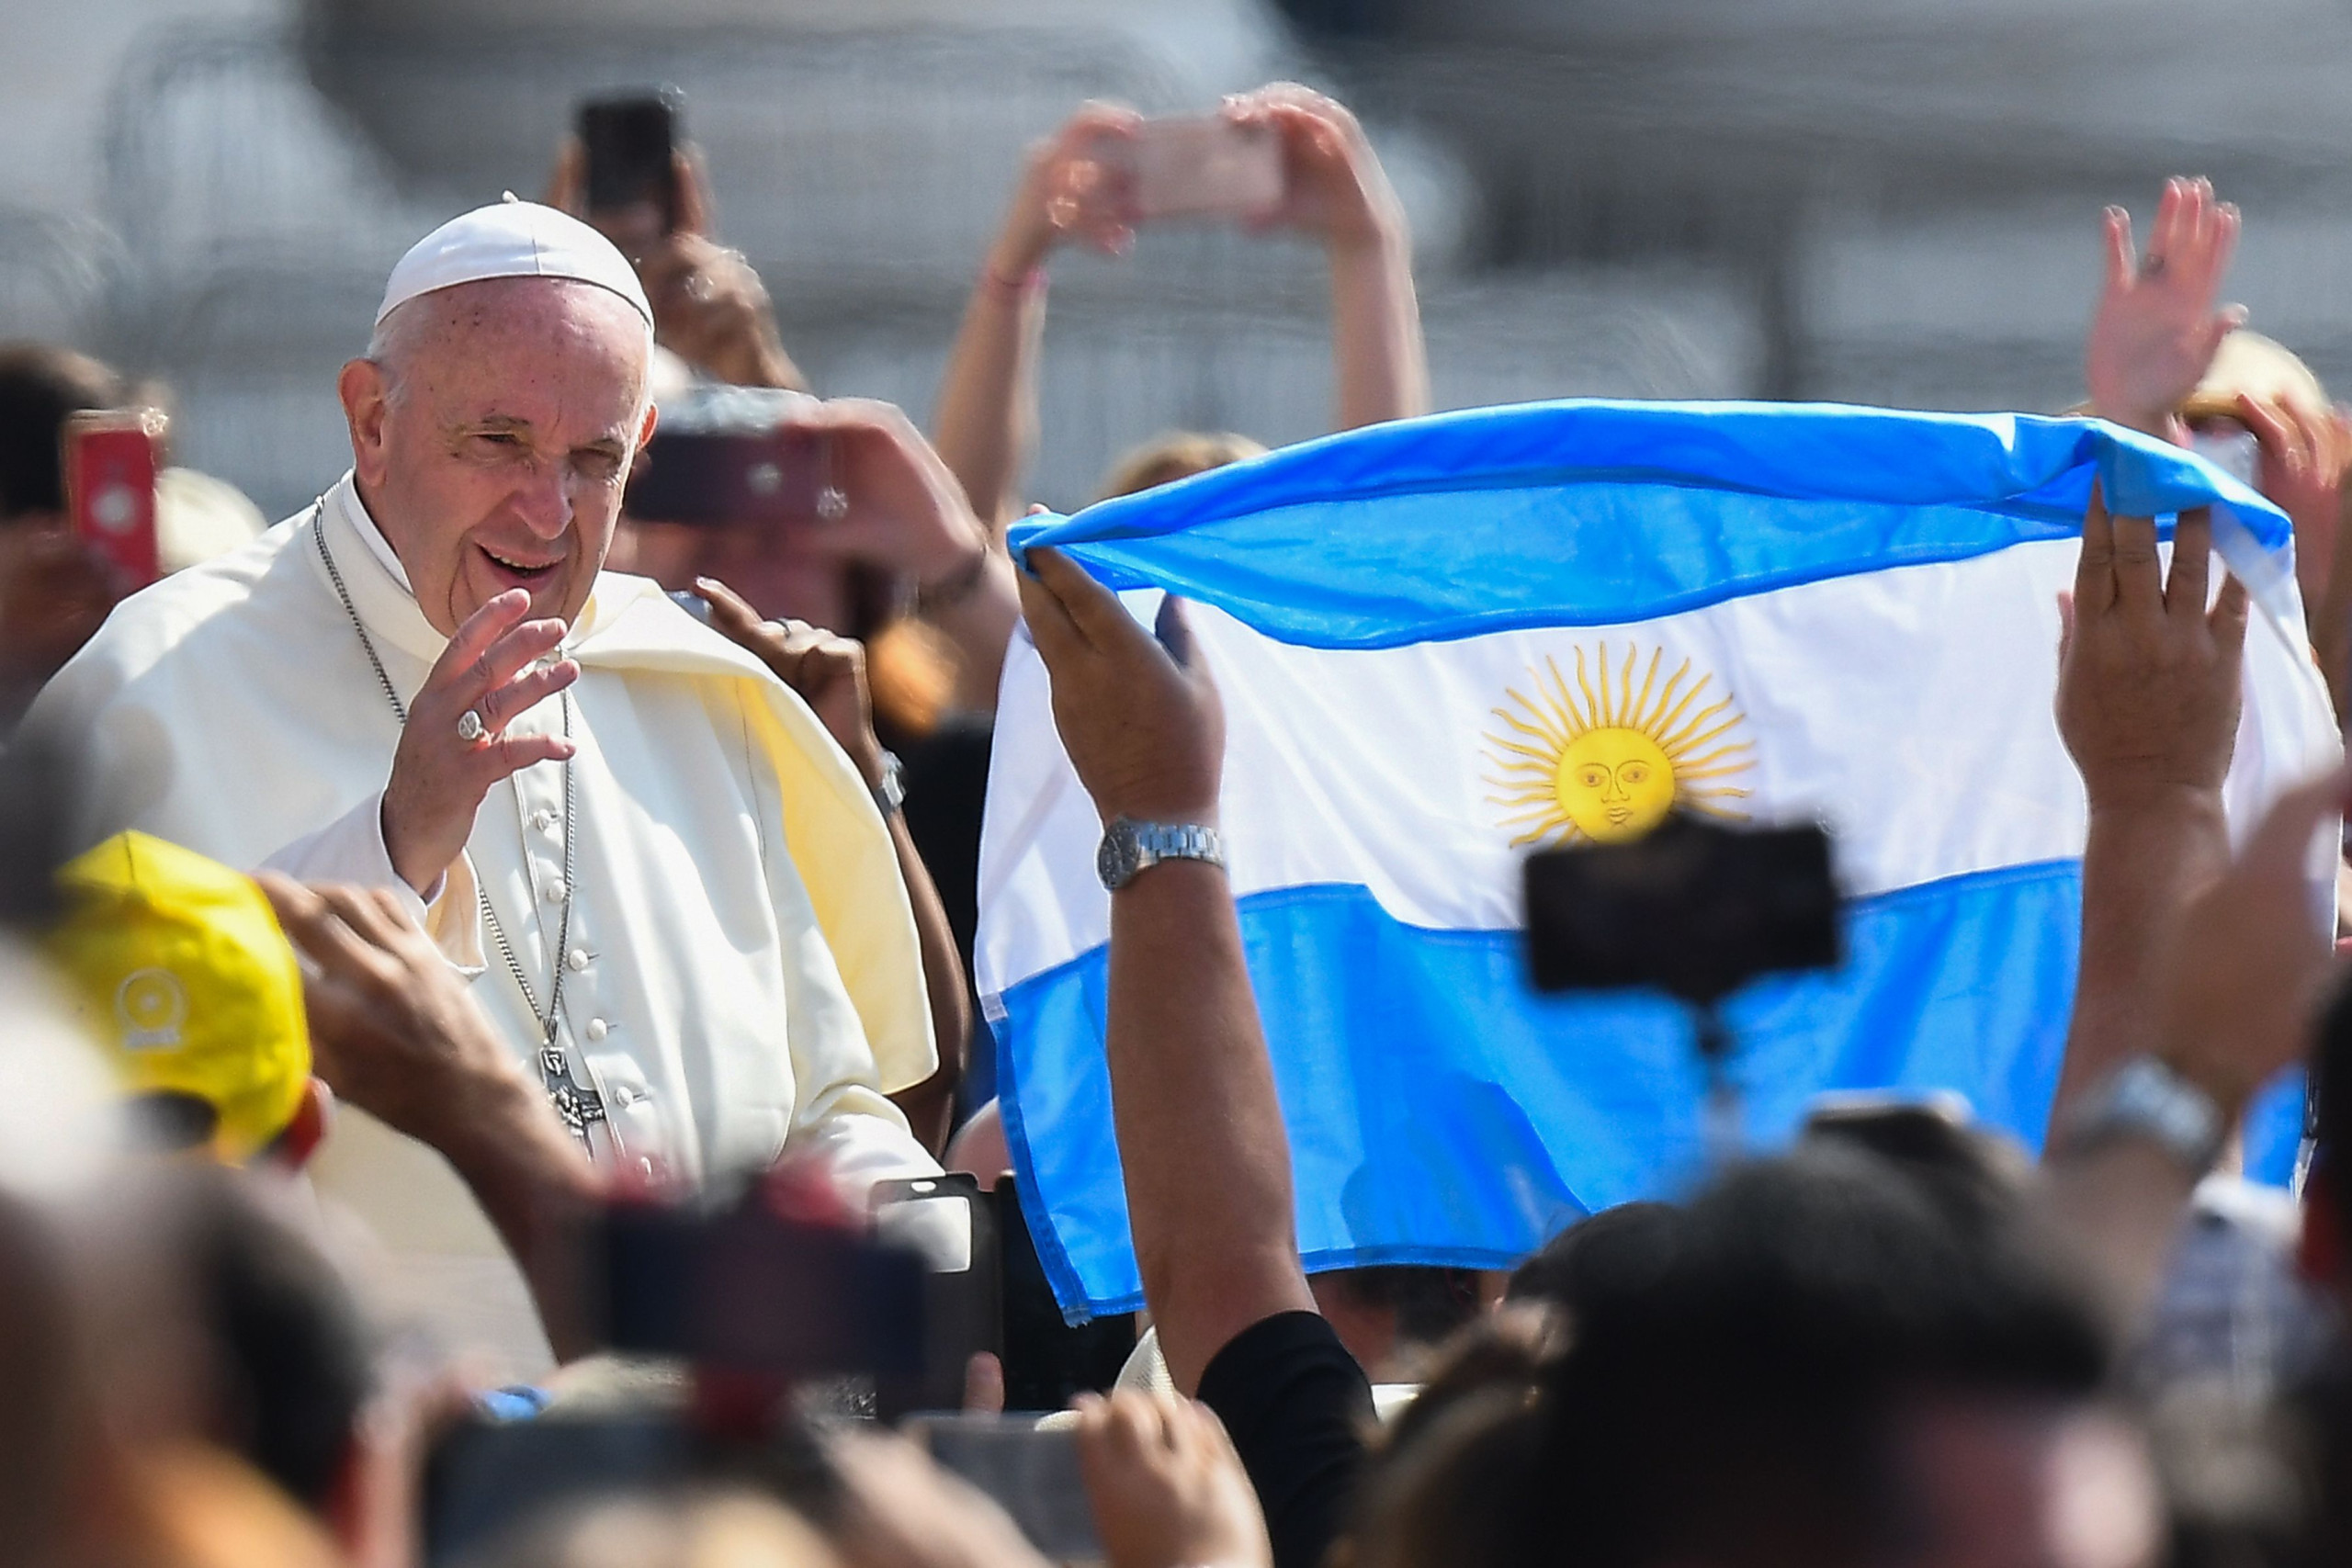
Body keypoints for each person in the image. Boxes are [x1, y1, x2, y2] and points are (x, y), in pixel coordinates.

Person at [28, 199, 950, 1373]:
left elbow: (830, 1105)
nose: (546, 513)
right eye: (498, 444)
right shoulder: (154, 686)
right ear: (371, 419)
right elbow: (83, 1141)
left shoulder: (696, 691)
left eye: (592, 459)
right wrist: (392, 843)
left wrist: (924, 1297)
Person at [933, 83, 1430, 706]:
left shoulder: (1308, 683)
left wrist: (1369, 242)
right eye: (1152, 537)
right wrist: (1014, 262)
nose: (1186, 580)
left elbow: (1377, 513)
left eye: (1226, 530)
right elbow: (955, 546)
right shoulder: (1063, 676)